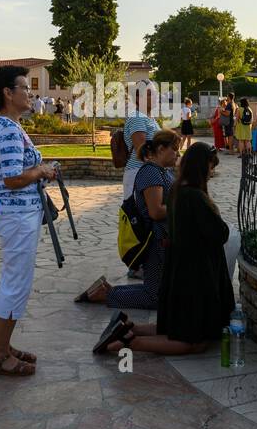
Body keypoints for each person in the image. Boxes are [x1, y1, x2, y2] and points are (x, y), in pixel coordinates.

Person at [96, 142, 232, 356]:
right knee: (194, 342)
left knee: (177, 328)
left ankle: (130, 329)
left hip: (181, 271)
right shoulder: (194, 197)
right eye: (210, 167)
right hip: (193, 276)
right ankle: (129, 342)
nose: (211, 172)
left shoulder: (179, 190)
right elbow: (219, 232)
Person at [0, 65, 57, 376]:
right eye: (25, 88)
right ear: (7, 93)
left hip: (17, 213)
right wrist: (42, 171)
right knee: (15, 283)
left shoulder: (9, 127)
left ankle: (4, 345)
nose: (30, 93)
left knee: (17, 281)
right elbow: (13, 178)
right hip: (17, 213)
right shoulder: (9, 130)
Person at [79, 130, 181, 311]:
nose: (177, 154)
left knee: (157, 289)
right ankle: (107, 295)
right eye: (174, 149)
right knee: (154, 297)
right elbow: (156, 211)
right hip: (156, 241)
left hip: (164, 239)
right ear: (160, 149)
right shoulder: (151, 173)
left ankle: (109, 290)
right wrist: (185, 206)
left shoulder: (162, 171)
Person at [122, 84, 160, 201]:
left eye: (155, 93)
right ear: (139, 98)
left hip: (148, 173)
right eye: (150, 94)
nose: (155, 97)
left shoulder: (149, 117)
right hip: (138, 173)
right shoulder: (137, 117)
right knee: (139, 215)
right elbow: (142, 151)